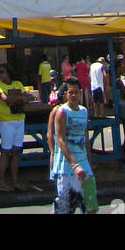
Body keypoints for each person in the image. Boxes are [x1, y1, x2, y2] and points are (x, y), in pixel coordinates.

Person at [50, 77, 97, 214]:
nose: (74, 95)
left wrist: (89, 163)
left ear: (81, 94)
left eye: (76, 92)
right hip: (67, 169)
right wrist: (75, 165)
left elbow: (86, 139)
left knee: (91, 206)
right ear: (66, 94)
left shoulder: (84, 111)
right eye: (71, 92)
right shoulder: (62, 112)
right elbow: (61, 141)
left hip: (84, 167)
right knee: (65, 210)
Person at [0, 62, 31, 194]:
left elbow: (27, 98)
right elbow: (5, 99)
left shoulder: (18, 84)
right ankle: (1, 182)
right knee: (5, 151)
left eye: (2, 71)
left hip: (19, 119)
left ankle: (15, 181)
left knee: (16, 151)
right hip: (6, 121)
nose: (0, 74)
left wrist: (16, 98)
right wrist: (19, 98)